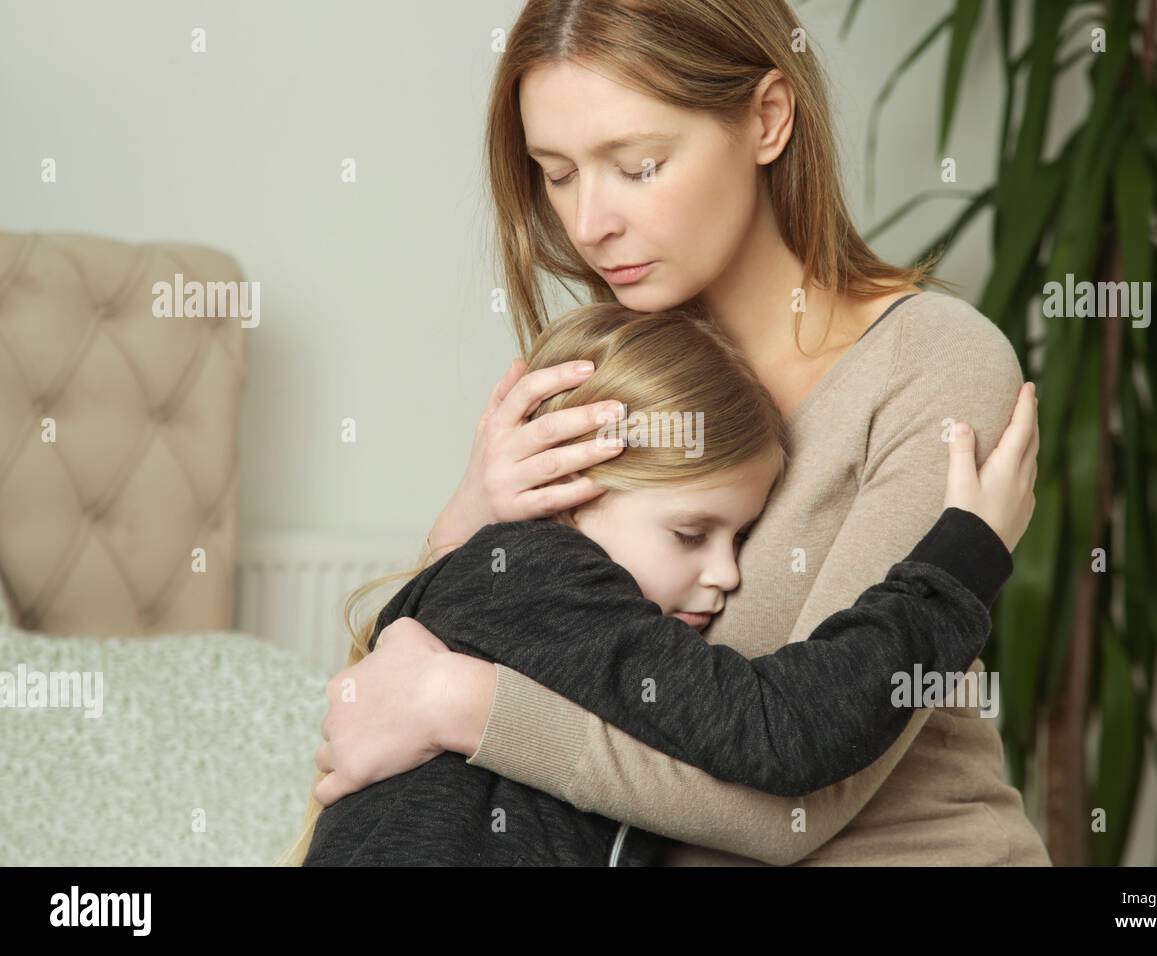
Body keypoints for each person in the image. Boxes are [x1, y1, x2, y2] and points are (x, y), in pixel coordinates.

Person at [315, 0, 1050, 866]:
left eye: (638, 166)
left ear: (767, 119)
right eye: (556, 174)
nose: (589, 224)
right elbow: (388, 707)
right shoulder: (623, 370)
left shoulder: (935, 364)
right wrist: (472, 512)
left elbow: (795, 802)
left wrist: (463, 708)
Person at [287, 304, 1030, 866]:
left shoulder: (506, 585)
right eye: (690, 534)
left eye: (740, 539)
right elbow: (783, 731)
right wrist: (956, 571)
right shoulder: (540, 580)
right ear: (572, 490)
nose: (727, 574)